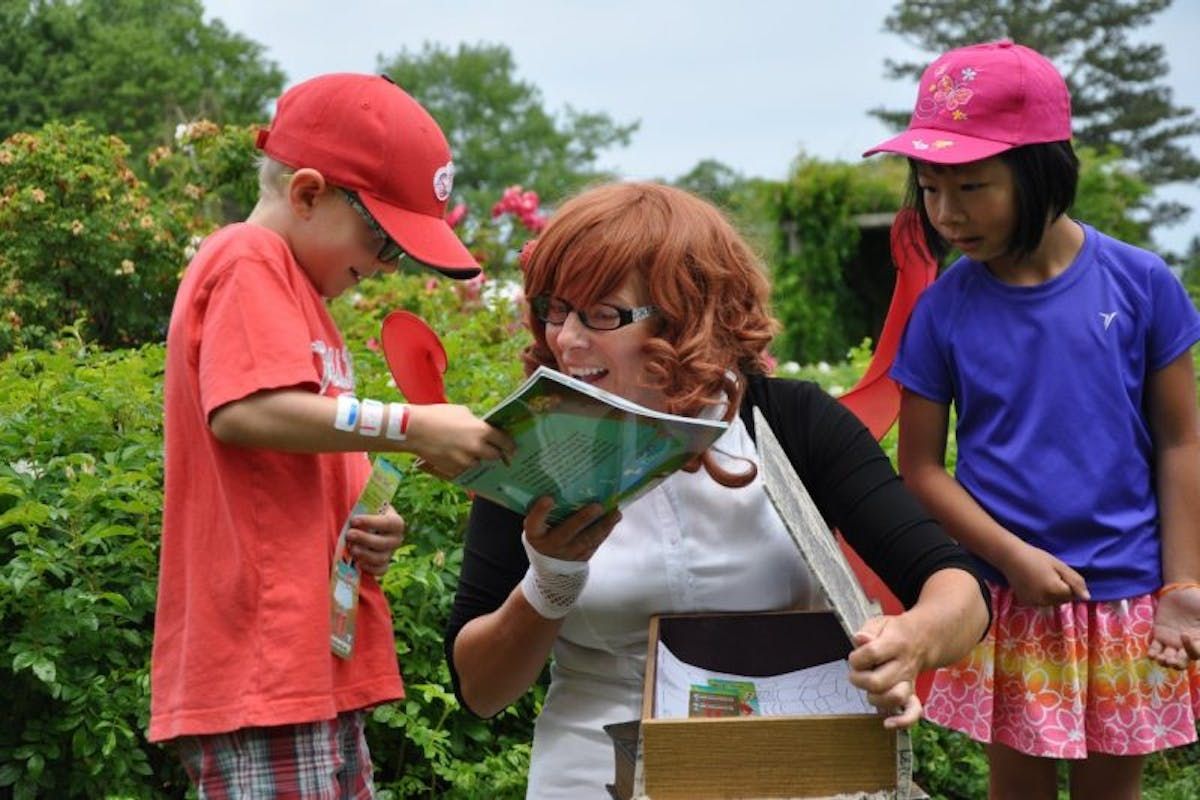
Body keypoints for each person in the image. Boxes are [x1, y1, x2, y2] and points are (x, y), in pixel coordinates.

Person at [443, 181, 992, 798]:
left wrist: (912, 640)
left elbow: (958, 590)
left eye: (602, 314)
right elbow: (480, 692)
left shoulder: (791, 421)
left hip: (790, 770)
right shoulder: (528, 445)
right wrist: (550, 581)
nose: (567, 340)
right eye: (555, 309)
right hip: (596, 774)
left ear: (689, 313)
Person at [148, 73, 514, 796]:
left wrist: (360, 521)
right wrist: (408, 427)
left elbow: (294, 448)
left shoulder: (301, 296)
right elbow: (245, 411)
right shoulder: (245, 259)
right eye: (383, 238)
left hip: (309, 668)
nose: (385, 266)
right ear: (309, 193)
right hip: (263, 664)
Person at [863, 40, 1200, 800]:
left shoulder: (1143, 283)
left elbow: (1182, 441)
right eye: (929, 188)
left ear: (1043, 169)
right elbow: (920, 469)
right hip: (1008, 600)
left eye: (973, 187)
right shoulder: (943, 309)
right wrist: (1009, 557)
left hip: (1128, 598)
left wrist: (1182, 582)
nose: (948, 214)